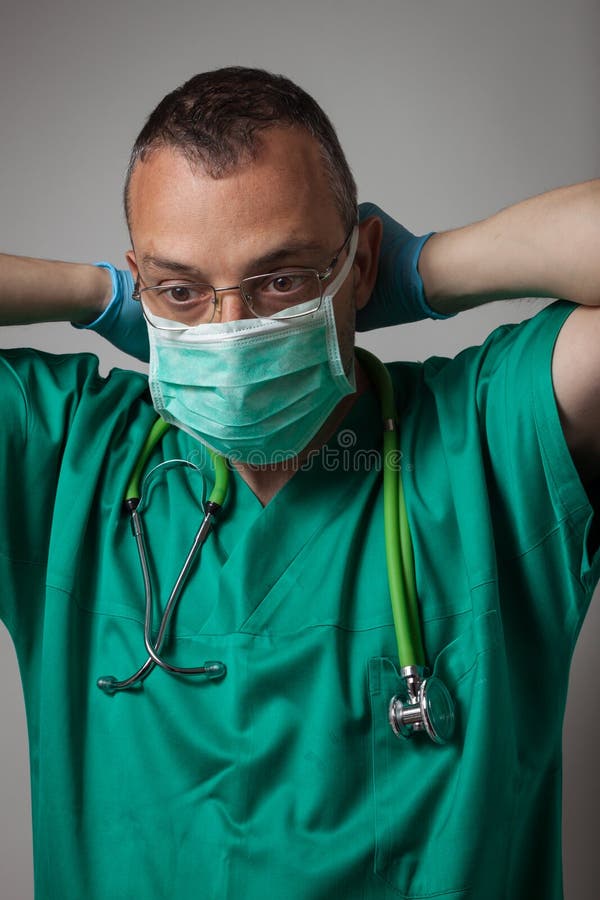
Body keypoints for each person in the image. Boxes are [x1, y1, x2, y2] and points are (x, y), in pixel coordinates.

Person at [1, 66, 599, 900]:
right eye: (181, 290)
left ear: (357, 267)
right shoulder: (61, 453)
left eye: (279, 279)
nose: (231, 328)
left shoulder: (489, 439)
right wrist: (93, 294)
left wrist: (424, 271)